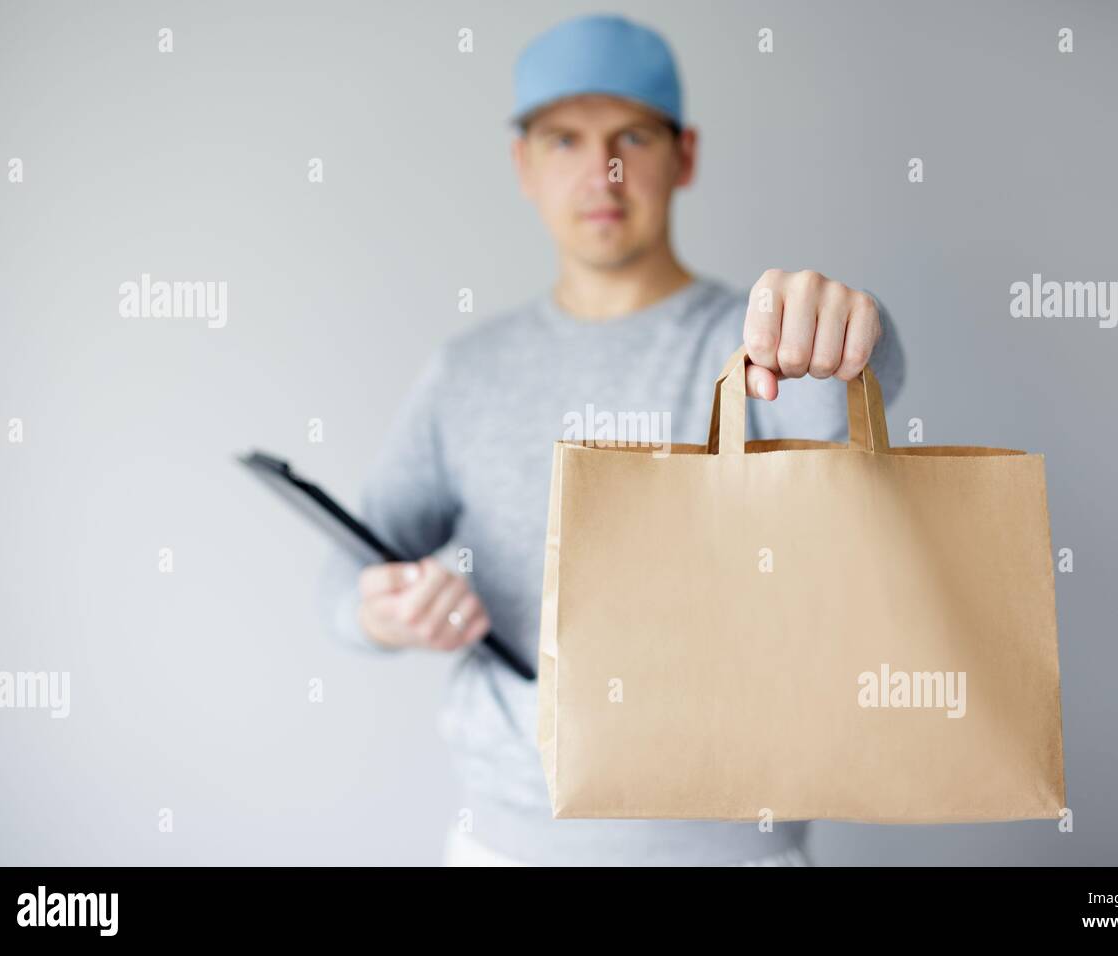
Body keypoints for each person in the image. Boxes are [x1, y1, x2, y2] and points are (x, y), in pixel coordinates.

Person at [322, 13, 906, 866]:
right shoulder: (465, 373)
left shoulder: (757, 347)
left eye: (633, 134)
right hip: (503, 846)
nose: (604, 171)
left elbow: (860, 400)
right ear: (522, 163)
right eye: (564, 139)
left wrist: (856, 331)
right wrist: (380, 613)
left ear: (686, 155)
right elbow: (347, 569)